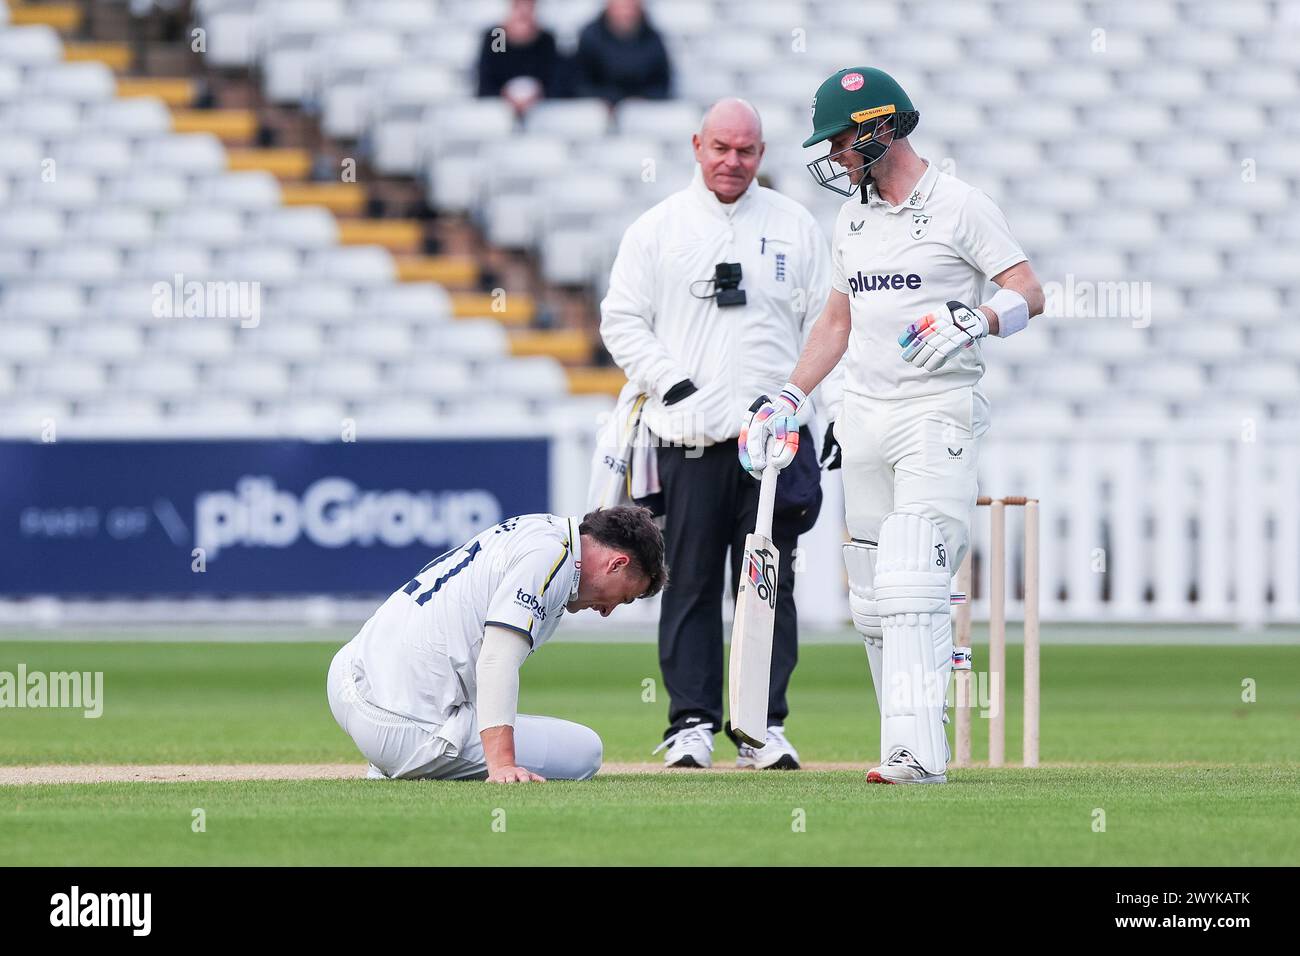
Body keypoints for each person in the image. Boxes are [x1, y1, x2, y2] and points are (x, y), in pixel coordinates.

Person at [741, 67, 1045, 785]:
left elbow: (1030, 290)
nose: (837, 156)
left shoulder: (961, 205)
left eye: (843, 140)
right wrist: (789, 394)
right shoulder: (852, 218)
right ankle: (901, 744)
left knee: (914, 572)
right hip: (863, 415)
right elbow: (838, 322)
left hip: (936, 410)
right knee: (875, 592)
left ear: (881, 127)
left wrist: (980, 317)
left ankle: (919, 756)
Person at [601, 98, 838, 770]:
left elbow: (830, 325)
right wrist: (671, 383)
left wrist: (827, 411)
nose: (733, 163)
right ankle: (691, 724)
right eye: (721, 149)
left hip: (773, 445)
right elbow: (621, 320)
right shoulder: (658, 229)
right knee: (689, 582)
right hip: (688, 439)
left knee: (767, 583)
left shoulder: (795, 225)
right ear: (697, 145)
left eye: (748, 151)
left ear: (763, 153)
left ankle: (762, 726)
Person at [327, 506, 667, 783]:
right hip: (402, 724)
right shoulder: (552, 558)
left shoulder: (543, 529)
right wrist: (503, 765)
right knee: (586, 751)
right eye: (623, 597)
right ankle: (400, 761)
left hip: (348, 676)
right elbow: (496, 659)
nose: (607, 611)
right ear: (617, 563)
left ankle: (389, 760)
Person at [573, 0, 671, 104]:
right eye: (621, 5)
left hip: (644, 111)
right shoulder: (590, 37)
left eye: (630, 5)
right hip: (598, 111)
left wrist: (642, 99)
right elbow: (580, 84)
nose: (625, 11)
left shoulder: (653, 38)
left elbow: (661, 84)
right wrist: (608, 100)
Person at [476, 0, 564, 115]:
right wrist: (505, 96)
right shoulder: (498, 37)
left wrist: (537, 95)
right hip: (499, 110)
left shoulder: (545, 40)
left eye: (528, 7)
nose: (523, 12)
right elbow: (487, 80)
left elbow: (553, 81)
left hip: (540, 110)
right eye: (518, 7)